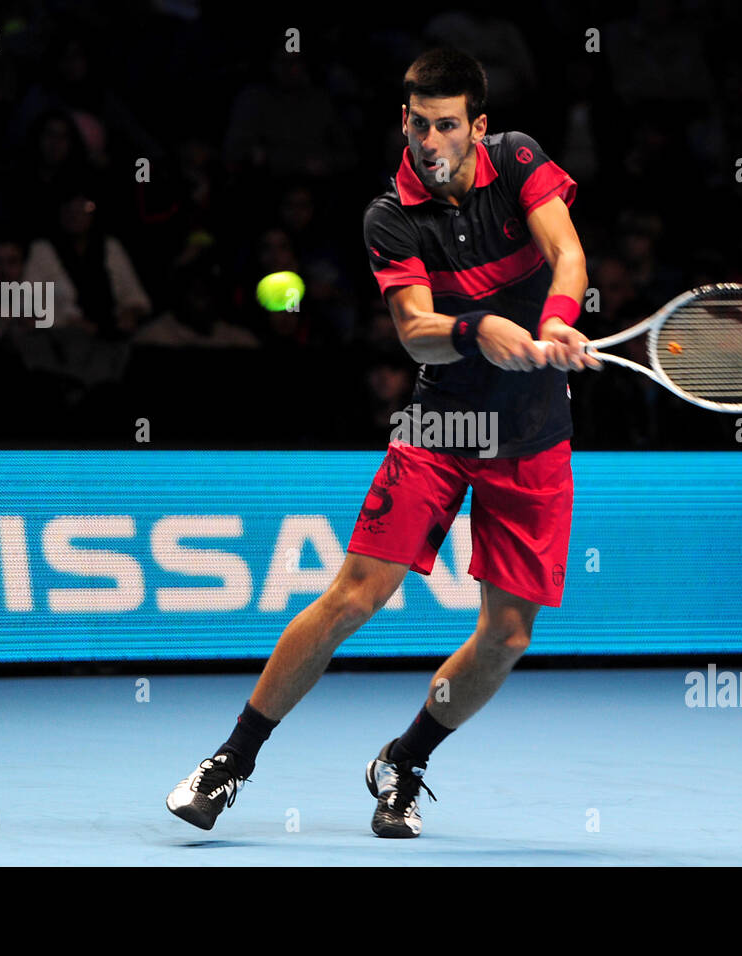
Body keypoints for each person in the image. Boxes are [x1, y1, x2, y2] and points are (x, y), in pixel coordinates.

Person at [166, 47, 600, 838]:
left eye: (447, 126)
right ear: (403, 120)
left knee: (507, 636)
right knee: (354, 596)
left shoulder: (521, 160)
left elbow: (566, 250)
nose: (431, 142)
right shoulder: (389, 215)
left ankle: (405, 760)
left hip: (535, 435)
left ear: (479, 128)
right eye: (419, 124)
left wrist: (559, 315)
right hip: (443, 428)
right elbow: (417, 335)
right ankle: (231, 761)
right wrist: (479, 329)